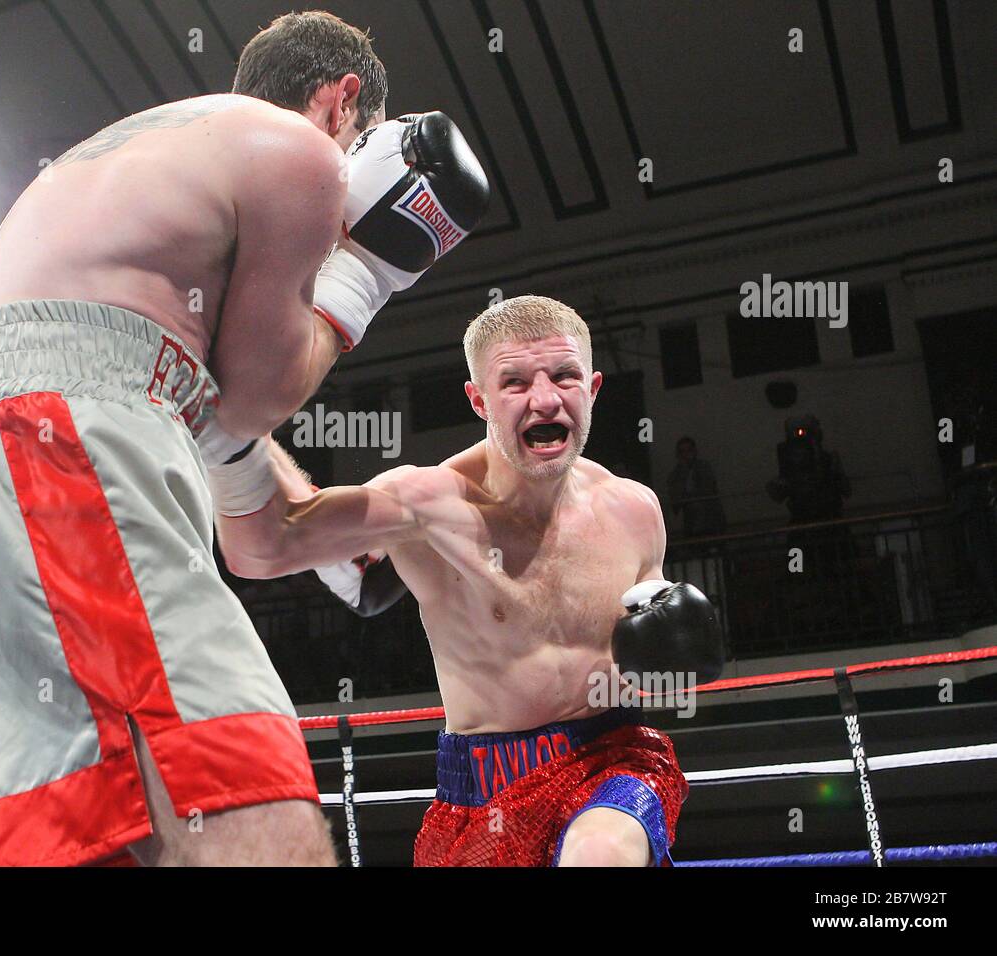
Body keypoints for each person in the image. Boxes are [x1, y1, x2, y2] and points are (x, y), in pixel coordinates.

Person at [0, 10, 489, 866]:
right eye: (361, 138)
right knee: (251, 798)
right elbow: (255, 401)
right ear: (343, 102)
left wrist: (333, 539)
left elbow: (226, 464)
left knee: (90, 834)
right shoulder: (300, 153)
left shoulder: (150, 153)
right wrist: (366, 270)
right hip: (70, 442)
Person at [212, 295, 723, 866]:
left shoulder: (635, 509)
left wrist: (676, 657)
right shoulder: (428, 503)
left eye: (563, 375)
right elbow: (264, 547)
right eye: (515, 383)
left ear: (594, 387)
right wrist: (226, 427)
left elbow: (654, 670)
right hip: (482, 789)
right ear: (478, 399)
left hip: (611, 760)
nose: (546, 398)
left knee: (601, 852)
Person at [666, 436, 726, 537]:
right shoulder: (675, 475)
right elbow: (675, 503)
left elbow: (709, 491)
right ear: (678, 454)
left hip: (712, 520)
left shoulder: (705, 468)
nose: (686, 455)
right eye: (682, 452)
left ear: (695, 451)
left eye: (689, 451)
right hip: (691, 523)